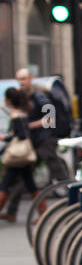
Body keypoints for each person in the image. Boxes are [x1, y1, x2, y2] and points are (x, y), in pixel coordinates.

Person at [16, 67, 70, 181]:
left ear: (31, 79)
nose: (21, 82)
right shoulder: (23, 96)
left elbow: (50, 118)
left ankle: (69, 190)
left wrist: (29, 125)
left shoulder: (39, 96)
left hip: (45, 139)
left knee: (54, 167)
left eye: (24, 79)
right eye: (19, 79)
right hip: (34, 139)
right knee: (26, 172)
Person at [0, 87, 39, 221]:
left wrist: (4, 137)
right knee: (30, 184)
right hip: (23, 156)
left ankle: (43, 213)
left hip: (17, 156)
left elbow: (20, 135)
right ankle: (43, 212)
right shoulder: (22, 113)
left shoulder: (16, 115)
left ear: (9, 100)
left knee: (5, 185)